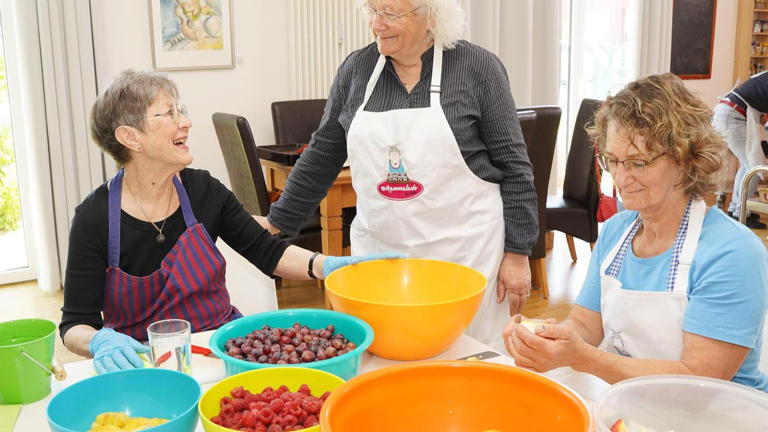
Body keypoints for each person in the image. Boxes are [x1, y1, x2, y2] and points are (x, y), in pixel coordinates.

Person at [60, 70, 397, 374]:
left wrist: (327, 266)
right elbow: (76, 324)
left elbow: (267, 251)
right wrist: (99, 342)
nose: (186, 121)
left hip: (226, 352)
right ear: (131, 138)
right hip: (146, 365)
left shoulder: (203, 190)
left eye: (182, 110)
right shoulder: (94, 219)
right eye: (170, 113)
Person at [257, 0, 538, 349]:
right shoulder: (357, 69)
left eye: (390, 13)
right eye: (372, 11)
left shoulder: (478, 68)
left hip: (467, 257)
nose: (377, 24)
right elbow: (322, 154)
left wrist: (518, 252)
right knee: (388, 356)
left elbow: (515, 166)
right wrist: (276, 222)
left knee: (467, 358)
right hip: (382, 259)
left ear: (431, 16)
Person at [503, 73, 768, 391]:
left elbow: (700, 379)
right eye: (613, 161)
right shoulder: (616, 232)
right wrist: (550, 337)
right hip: (633, 412)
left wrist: (585, 358)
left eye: (638, 163)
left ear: (687, 159)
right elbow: (586, 324)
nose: (621, 178)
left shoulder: (732, 253)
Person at [711, 71, 768, 228]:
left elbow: (763, 117)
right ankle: (740, 212)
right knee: (754, 167)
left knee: (747, 165)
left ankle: (737, 210)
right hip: (732, 115)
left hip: (728, 112)